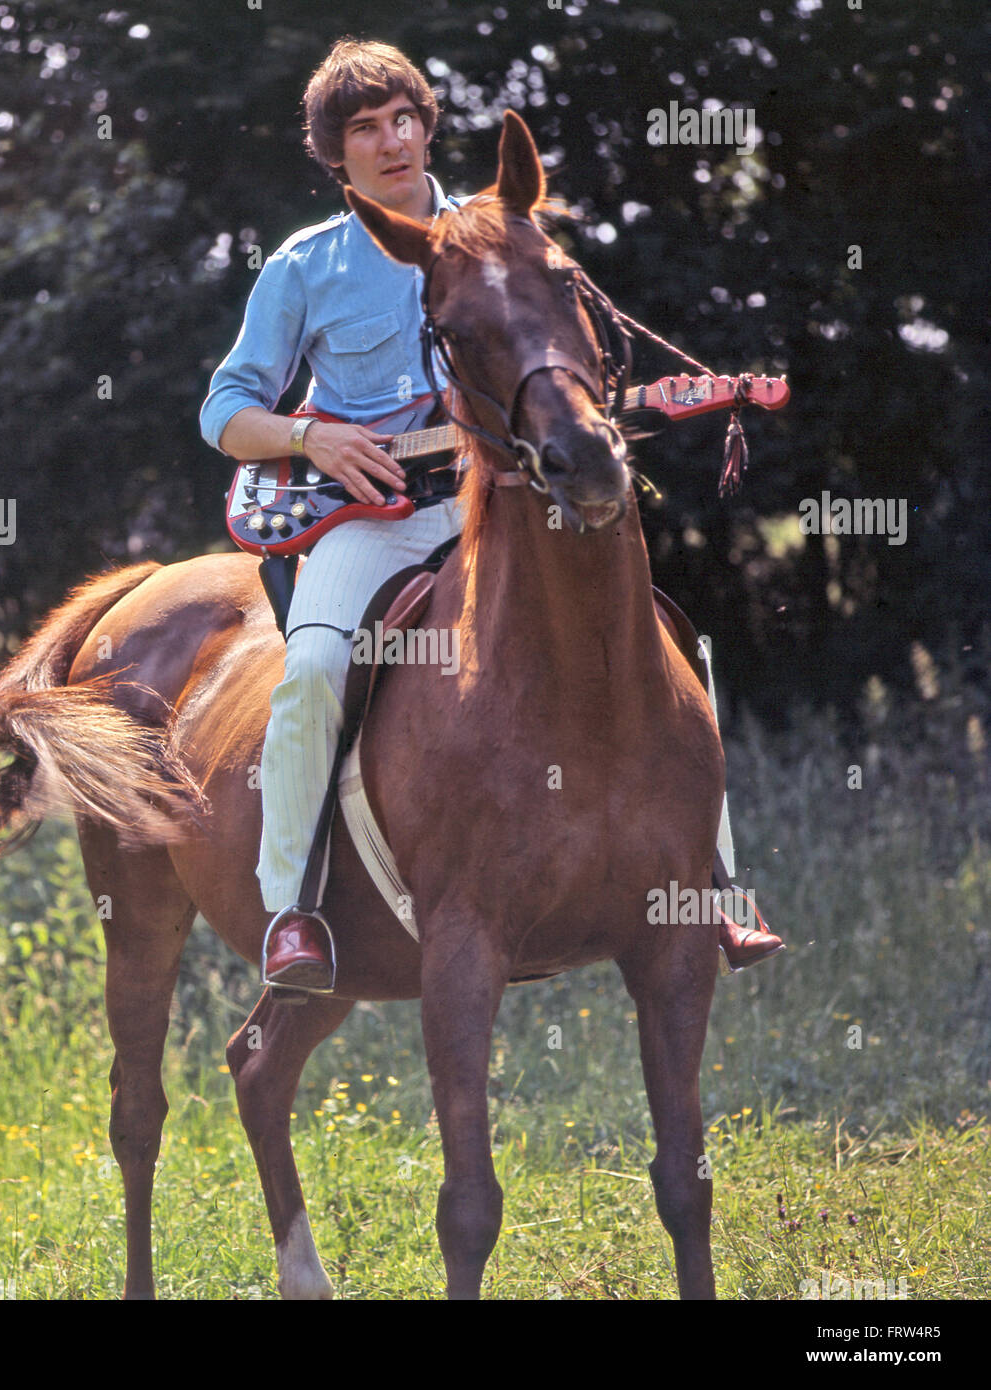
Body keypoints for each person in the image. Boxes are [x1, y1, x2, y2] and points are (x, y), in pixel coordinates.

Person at [200, 39, 783, 993]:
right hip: (370, 520)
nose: (392, 141)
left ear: (427, 125)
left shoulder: (496, 230)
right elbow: (223, 413)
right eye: (364, 129)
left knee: (660, 632)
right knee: (309, 669)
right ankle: (292, 911)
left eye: (404, 119)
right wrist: (313, 442)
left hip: (502, 510)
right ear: (332, 153)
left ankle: (708, 882)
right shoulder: (305, 267)